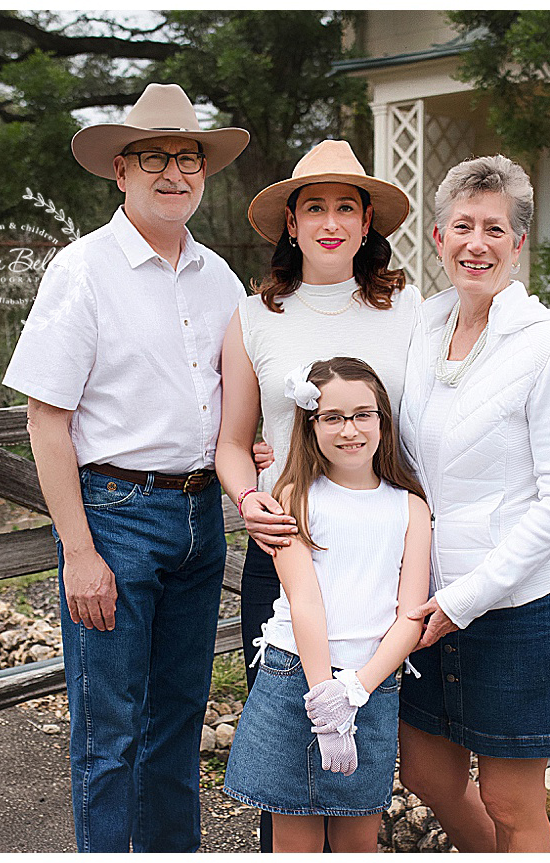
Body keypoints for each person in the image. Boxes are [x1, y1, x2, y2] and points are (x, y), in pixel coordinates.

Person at [1, 83, 250, 853]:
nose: (174, 172)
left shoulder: (221, 279)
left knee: (177, 722)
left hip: (200, 520)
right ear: (121, 169)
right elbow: (48, 419)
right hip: (114, 518)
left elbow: (228, 409)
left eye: (187, 157)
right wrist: (79, 550)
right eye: (154, 157)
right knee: (108, 731)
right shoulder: (83, 270)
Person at [214, 139, 420, 850]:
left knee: (360, 763)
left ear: (367, 225)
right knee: (287, 768)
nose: (330, 222)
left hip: (379, 551)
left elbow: (414, 427)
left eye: (345, 207)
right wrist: (249, 497)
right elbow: (234, 443)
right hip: (284, 547)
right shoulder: (253, 315)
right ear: (291, 225)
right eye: (314, 208)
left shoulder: (408, 309)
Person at [395, 155, 550, 852]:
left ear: (518, 243)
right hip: (431, 599)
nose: (475, 242)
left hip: (519, 604)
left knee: (511, 800)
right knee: (426, 772)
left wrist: (469, 596)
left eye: (494, 227)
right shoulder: (423, 326)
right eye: (461, 226)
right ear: (437, 237)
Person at [223, 357, 432, 852]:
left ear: (383, 418)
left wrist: (355, 691)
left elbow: (411, 616)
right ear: (310, 424)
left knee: (357, 836)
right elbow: (305, 601)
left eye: (363, 414)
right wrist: (324, 704)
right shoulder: (295, 495)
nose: (349, 430)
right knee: (294, 836)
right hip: (295, 677)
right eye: (333, 417)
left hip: (371, 684)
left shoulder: (410, 507)